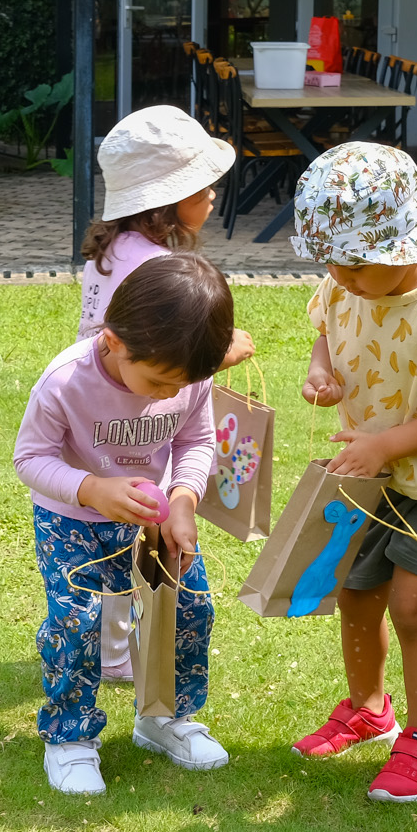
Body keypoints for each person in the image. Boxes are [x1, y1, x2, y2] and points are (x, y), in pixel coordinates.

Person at [287, 143, 417, 805]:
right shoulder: (343, 284)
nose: (338, 275)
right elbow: (327, 326)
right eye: (330, 261)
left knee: (412, 606)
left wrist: (388, 444)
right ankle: (370, 708)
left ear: (402, 246)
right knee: (354, 590)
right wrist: (322, 370)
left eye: (353, 262)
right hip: (369, 476)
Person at [15, 254, 236, 796]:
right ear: (113, 342)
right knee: (78, 623)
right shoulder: (66, 382)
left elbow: (195, 441)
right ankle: (70, 737)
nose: (168, 394)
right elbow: (30, 458)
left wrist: (183, 499)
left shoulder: (188, 379)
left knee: (185, 610)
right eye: (159, 381)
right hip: (73, 522)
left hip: (154, 520)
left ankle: (164, 718)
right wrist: (94, 489)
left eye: (180, 385)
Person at [77, 106, 249, 681]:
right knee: (133, 534)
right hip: (138, 416)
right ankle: (116, 654)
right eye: (203, 188)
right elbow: (169, 357)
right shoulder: (157, 266)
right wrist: (228, 351)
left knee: (118, 532)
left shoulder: (112, 250)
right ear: (167, 200)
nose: (212, 198)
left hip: (100, 408)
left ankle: (112, 651)